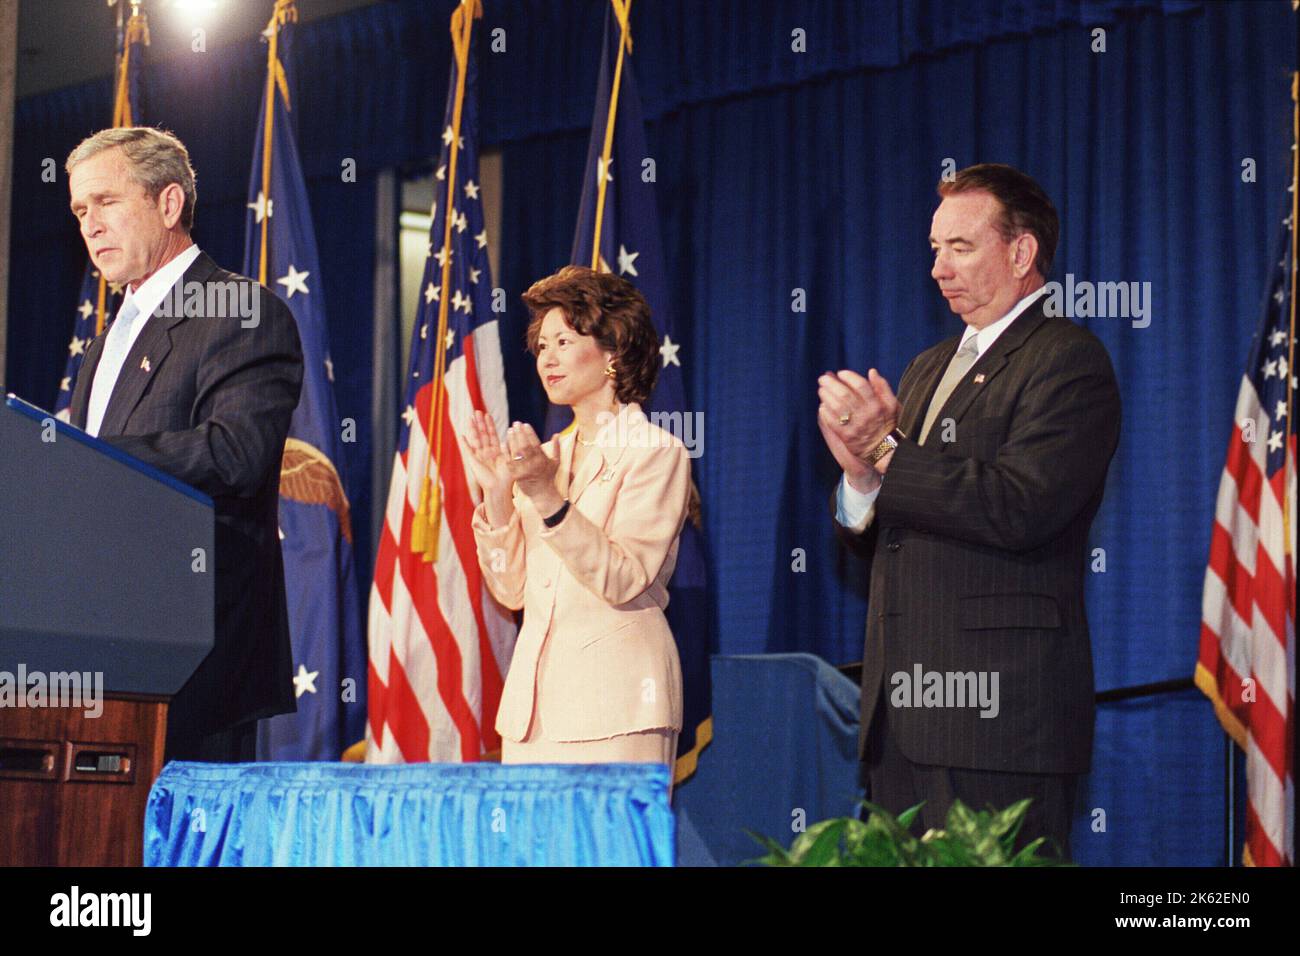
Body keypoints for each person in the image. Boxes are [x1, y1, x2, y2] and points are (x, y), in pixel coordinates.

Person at [820, 164, 1121, 857]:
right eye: (933, 248)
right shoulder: (929, 365)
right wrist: (861, 477)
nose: (937, 268)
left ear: (1020, 253)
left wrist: (890, 451)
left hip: (997, 719)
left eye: (960, 246)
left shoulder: (1068, 359)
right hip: (903, 716)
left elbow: (1020, 506)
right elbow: (895, 532)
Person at [65, 127, 304, 762]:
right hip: (96, 643)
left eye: (107, 202)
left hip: (194, 652)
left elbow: (237, 453)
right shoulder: (106, 343)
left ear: (169, 205)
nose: (91, 225)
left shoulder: (239, 311)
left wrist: (80, 462)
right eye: (81, 211)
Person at [463, 265, 691, 779]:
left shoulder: (656, 452)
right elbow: (511, 591)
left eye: (563, 341)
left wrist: (545, 495)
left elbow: (624, 577)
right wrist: (499, 495)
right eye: (542, 346)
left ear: (612, 351)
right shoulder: (543, 457)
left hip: (619, 707)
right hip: (533, 714)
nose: (547, 358)